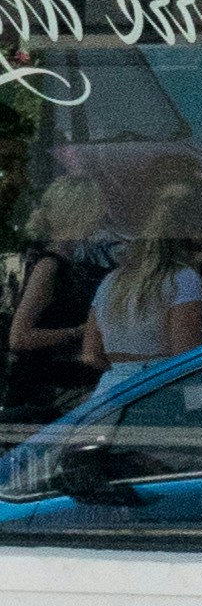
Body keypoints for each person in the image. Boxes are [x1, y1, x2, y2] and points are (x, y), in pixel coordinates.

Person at [5, 177, 105, 426]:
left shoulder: (70, 263)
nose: (102, 217)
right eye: (97, 209)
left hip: (59, 387)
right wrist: (78, 332)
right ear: (80, 213)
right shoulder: (50, 266)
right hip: (45, 395)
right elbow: (19, 337)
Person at [83, 182, 202, 377]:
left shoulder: (111, 280)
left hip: (112, 391)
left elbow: (90, 354)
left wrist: (122, 372)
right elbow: (185, 356)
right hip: (158, 388)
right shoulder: (183, 279)